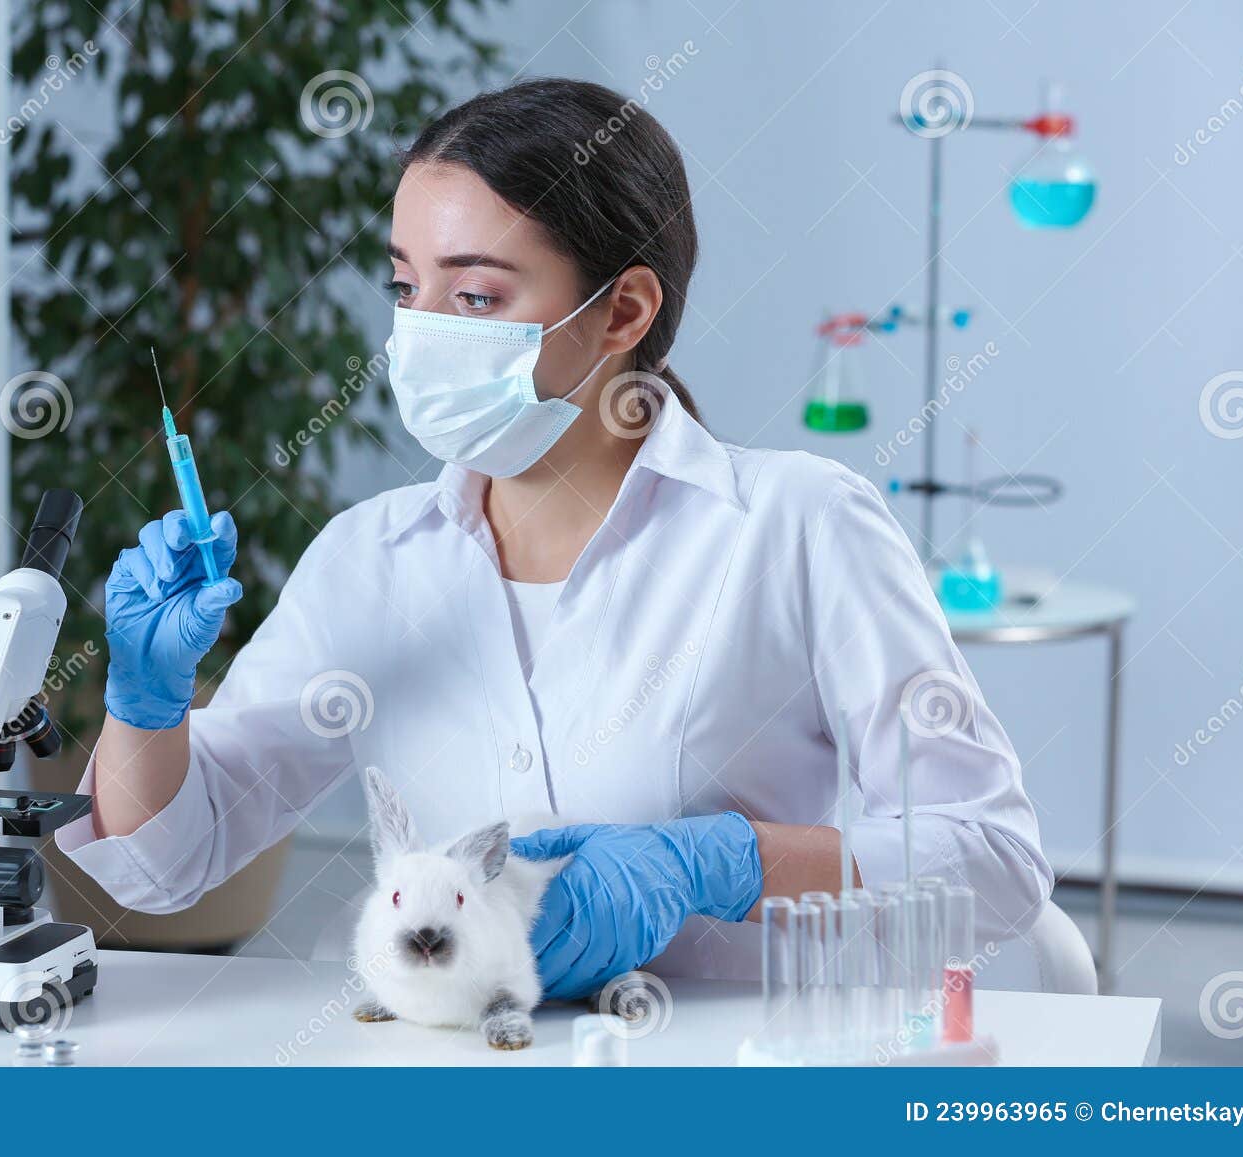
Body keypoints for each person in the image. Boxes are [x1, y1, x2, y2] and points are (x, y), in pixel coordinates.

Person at [57, 78, 1051, 996]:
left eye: (477, 296)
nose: (422, 333)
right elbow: (163, 870)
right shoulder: (371, 560)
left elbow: (994, 863)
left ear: (622, 308)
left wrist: (722, 861)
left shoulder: (796, 526)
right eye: (406, 289)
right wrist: (146, 702)